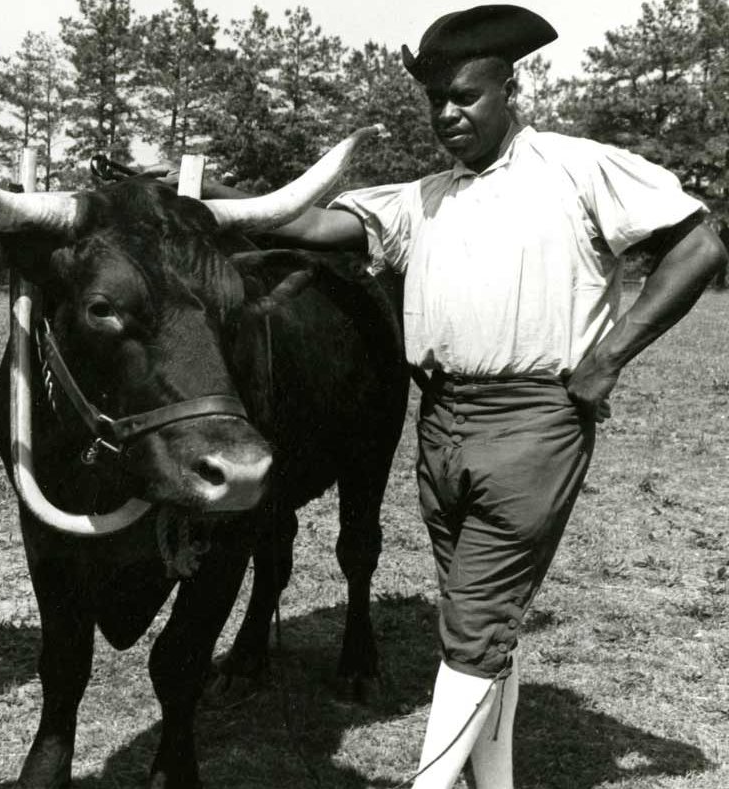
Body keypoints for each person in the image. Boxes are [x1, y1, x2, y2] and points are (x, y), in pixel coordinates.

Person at [227, 5, 727, 788]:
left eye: (465, 95)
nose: (448, 114)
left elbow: (697, 245)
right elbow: (315, 226)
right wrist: (207, 196)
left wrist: (610, 356)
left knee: (471, 624)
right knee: (484, 625)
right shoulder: (420, 197)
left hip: (535, 422)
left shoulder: (576, 166)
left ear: (509, 87)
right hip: (441, 420)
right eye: (435, 101)